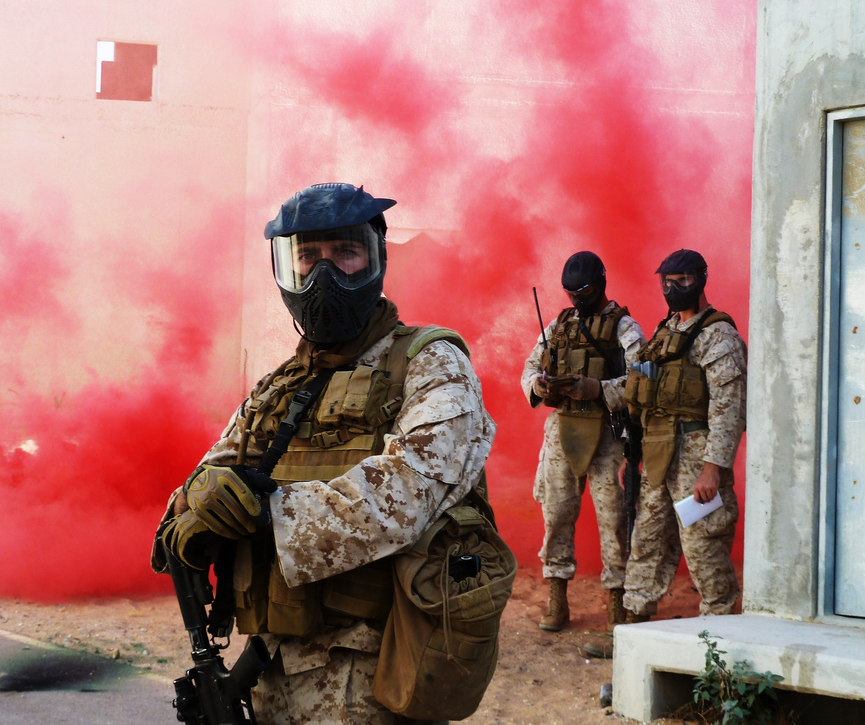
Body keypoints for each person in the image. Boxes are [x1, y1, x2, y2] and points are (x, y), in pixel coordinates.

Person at [152, 182, 495, 725]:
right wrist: (199, 497)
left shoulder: (430, 363)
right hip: (268, 669)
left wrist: (268, 512)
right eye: (307, 257)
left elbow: (407, 496)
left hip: (369, 674)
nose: (324, 276)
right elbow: (206, 478)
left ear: (376, 260)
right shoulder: (279, 385)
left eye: (345, 253)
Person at [617, 248, 747, 626]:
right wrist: (632, 458)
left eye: (683, 281)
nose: (674, 289)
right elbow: (643, 398)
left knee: (703, 544)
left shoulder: (718, 336)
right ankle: (633, 630)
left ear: (701, 280)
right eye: (666, 282)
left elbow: (729, 408)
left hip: (695, 455)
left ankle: (719, 637)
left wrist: (713, 470)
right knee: (647, 541)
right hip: (657, 454)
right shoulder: (664, 333)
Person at [520, 252, 646, 637]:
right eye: (571, 292)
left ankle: (616, 603)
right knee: (556, 515)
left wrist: (599, 388)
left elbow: (644, 382)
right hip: (562, 429)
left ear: (601, 284)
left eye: (585, 291)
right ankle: (557, 597)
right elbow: (528, 369)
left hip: (608, 432)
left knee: (614, 518)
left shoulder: (625, 328)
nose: (578, 298)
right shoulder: (558, 326)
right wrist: (540, 386)